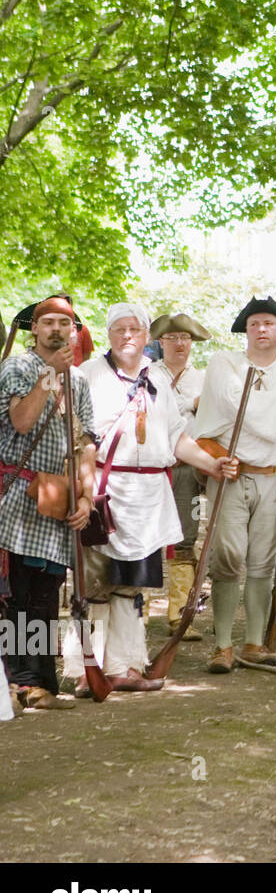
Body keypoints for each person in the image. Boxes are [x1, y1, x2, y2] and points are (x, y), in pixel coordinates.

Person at [65, 304, 235, 695]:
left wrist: (212, 464)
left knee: (130, 586)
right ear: (109, 334)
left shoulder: (156, 375)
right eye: (119, 329)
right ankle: (83, 669)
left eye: (135, 329)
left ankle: (124, 666)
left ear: (146, 335)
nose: (127, 335)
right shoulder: (88, 375)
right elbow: (77, 438)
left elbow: (176, 436)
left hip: (149, 496)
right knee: (94, 585)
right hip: (103, 490)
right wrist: (83, 490)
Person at [193, 297, 276, 673]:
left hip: (275, 479)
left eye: (268, 323)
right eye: (254, 324)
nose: (262, 330)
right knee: (228, 558)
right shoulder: (225, 365)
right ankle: (222, 645)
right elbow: (238, 408)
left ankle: (253, 641)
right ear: (246, 330)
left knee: (264, 562)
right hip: (231, 475)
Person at [0, 297, 97, 712]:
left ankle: (41, 684)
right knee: (15, 594)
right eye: (49, 322)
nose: (58, 329)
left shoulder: (79, 382)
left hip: (57, 498)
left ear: (73, 332)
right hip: (17, 498)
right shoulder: (16, 368)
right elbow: (21, 422)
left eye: (66, 323)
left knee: (45, 595)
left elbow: (85, 445)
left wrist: (87, 495)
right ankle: (18, 682)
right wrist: (48, 378)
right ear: (35, 329)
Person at [149, 312, 213, 640]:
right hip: (147, 468)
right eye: (172, 338)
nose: (179, 343)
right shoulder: (147, 374)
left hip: (187, 468)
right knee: (142, 538)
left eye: (185, 338)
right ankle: (136, 612)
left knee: (184, 538)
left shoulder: (204, 378)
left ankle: (179, 614)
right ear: (160, 342)